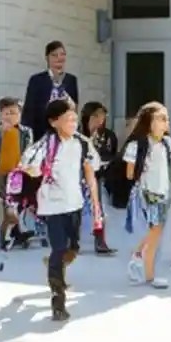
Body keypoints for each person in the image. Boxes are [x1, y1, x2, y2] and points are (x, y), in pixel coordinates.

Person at [19, 99, 103, 322]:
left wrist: (96, 207)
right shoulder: (45, 145)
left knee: (72, 248)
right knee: (59, 248)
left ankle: (57, 264)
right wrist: (37, 169)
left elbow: (90, 175)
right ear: (54, 122)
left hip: (74, 203)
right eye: (68, 119)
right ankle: (58, 298)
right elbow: (28, 167)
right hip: (52, 205)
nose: (73, 122)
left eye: (75, 118)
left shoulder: (82, 144)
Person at [121, 102, 171, 289]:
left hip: (164, 194)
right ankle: (147, 271)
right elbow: (130, 174)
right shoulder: (138, 145)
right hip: (147, 194)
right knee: (153, 233)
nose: (165, 122)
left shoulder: (168, 144)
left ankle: (140, 263)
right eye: (161, 118)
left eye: (166, 119)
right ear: (149, 122)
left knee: (155, 233)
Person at [0, 97, 35, 251]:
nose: (10, 116)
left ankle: (16, 233)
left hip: (19, 173)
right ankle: (6, 236)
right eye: (6, 113)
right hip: (1, 174)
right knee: (7, 206)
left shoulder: (26, 132)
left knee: (16, 205)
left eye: (13, 112)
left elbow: (29, 152)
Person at [80, 101, 118, 255]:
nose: (99, 119)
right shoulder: (79, 134)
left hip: (98, 176)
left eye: (102, 115)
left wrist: (100, 162)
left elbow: (111, 154)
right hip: (78, 176)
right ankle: (73, 241)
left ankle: (100, 240)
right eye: (95, 115)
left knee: (98, 209)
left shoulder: (108, 135)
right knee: (76, 209)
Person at [24, 41, 80, 141]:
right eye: (54, 55)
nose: (59, 58)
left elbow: (75, 107)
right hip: (42, 132)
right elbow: (29, 110)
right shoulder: (37, 80)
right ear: (47, 58)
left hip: (65, 133)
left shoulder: (71, 80)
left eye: (62, 54)